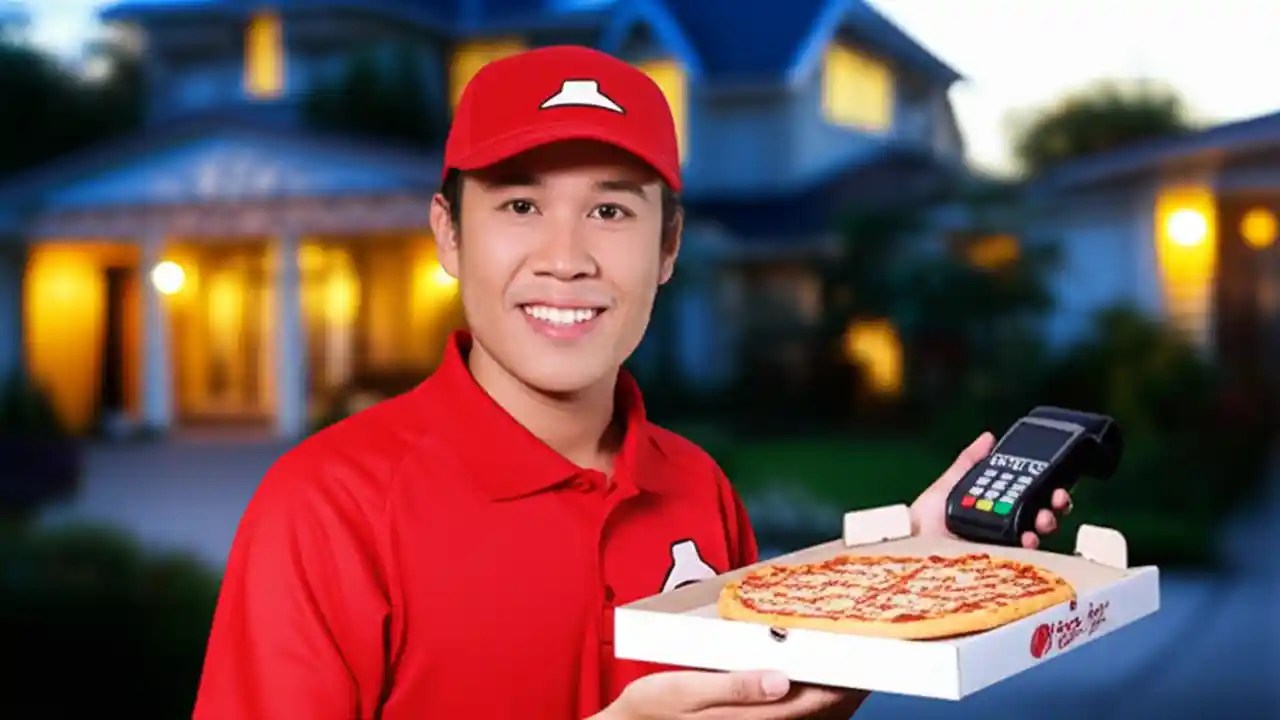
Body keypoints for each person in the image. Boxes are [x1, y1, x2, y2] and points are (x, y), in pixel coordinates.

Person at [191, 44, 1072, 720]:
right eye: (520, 205)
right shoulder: (325, 509)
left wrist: (901, 588)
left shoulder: (700, 488)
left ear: (668, 248)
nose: (567, 259)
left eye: (611, 210)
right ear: (449, 235)